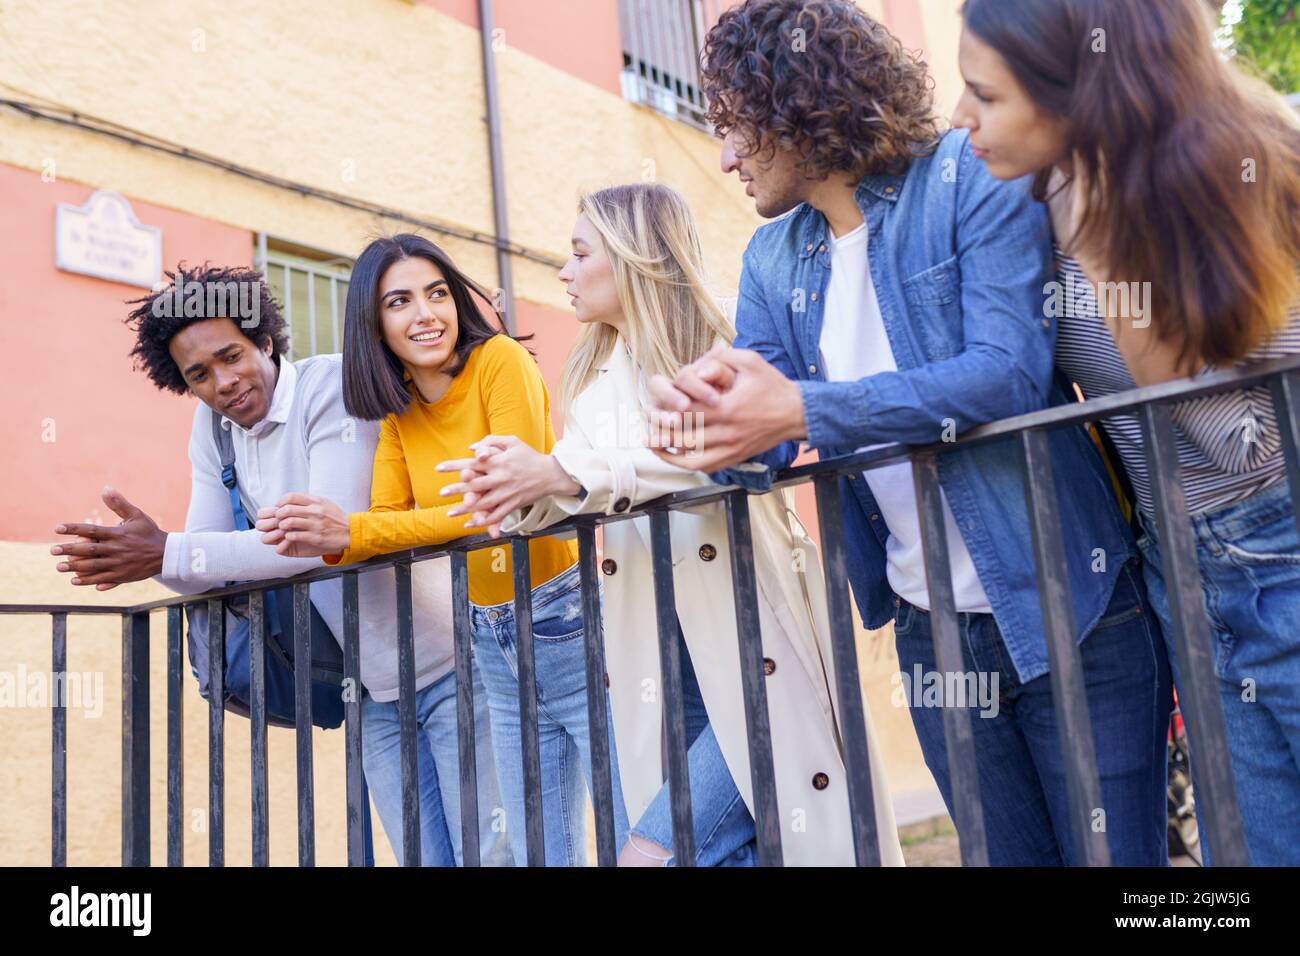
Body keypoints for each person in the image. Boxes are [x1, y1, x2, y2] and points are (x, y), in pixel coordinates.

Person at [645, 0, 1172, 865]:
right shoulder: (773, 260)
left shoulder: (969, 177)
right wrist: (708, 424)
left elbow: (1002, 370)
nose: (728, 157)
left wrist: (804, 410)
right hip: (932, 631)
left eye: (739, 127)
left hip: (1071, 605)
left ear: (799, 103)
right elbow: (769, 425)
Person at [437, 183, 903, 866]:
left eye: (578, 253)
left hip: (749, 647)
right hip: (653, 655)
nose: (563, 273)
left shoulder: (724, 345)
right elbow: (578, 478)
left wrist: (562, 476)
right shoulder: (593, 380)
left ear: (633, 258)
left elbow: (707, 459)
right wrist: (515, 485)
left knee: (650, 852)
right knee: (725, 852)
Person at [953, 0, 1300, 865]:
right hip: (1189, 571)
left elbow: (1223, 427)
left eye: (984, 96)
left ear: (1077, 97)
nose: (962, 117)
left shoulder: (1254, 159)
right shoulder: (1042, 197)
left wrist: (1092, 215)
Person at [50, 263, 510, 867]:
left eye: (231, 355)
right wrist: (144, 558)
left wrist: (164, 551)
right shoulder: (213, 430)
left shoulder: (332, 389)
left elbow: (324, 541)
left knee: (496, 855)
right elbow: (207, 558)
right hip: (372, 690)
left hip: (453, 665)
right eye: (200, 375)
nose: (224, 382)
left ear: (264, 341)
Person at [256, 234, 629, 866]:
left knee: (628, 826)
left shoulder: (500, 361)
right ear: (374, 325)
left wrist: (352, 533)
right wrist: (362, 531)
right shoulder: (400, 413)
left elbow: (500, 506)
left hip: (562, 614)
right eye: (399, 302)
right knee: (541, 846)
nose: (425, 314)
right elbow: (391, 519)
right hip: (484, 633)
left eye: (436, 293)